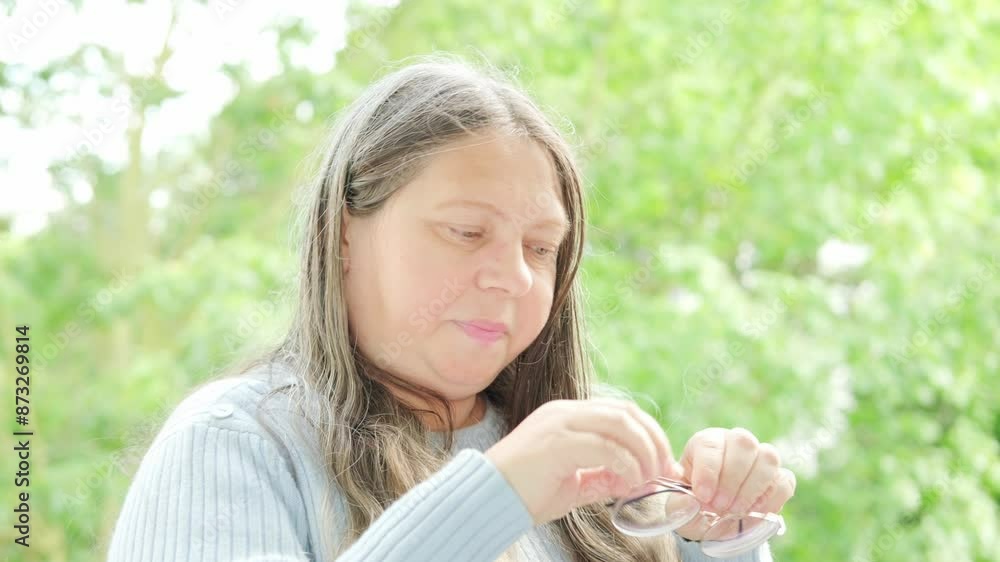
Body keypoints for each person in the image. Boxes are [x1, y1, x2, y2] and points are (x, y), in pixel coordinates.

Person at [106, 55, 795, 562]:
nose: (513, 278)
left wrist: (720, 540)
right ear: (345, 235)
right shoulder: (234, 444)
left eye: (541, 246)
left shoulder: (597, 461)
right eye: (467, 233)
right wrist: (500, 492)